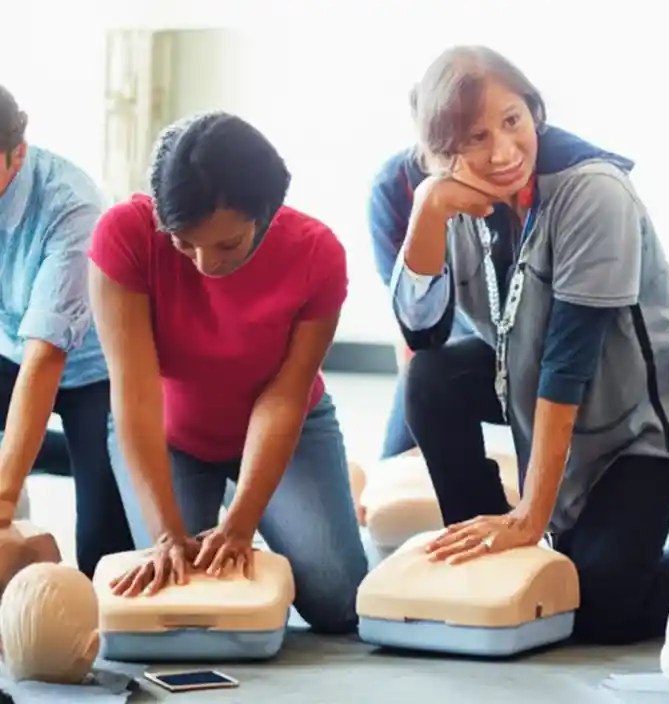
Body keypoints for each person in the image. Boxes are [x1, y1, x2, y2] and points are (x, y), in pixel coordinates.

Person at [392, 45, 669, 645]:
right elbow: (422, 333)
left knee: (598, 605)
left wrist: (531, 516)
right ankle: (488, 556)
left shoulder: (594, 191)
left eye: (513, 120)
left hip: (646, 410)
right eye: (477, 137)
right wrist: (428, 210)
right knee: (431, 380)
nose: (503, 152)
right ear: (445, 147)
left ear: (533, 109)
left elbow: (567, 368)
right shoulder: (446, 192)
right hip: (530, 370)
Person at [87, 112, 368, 634]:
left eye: (227, 245)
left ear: (266, 213)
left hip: (288, 426)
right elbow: (135, 393)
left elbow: (284, 397)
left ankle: (323, 490)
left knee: (338, 601)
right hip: (171, 434)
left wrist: (240, 524)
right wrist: (166, 534)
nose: (203, 264)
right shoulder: (123, 234)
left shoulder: (317, 252)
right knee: (181, 590)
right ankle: (231, 507)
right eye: (183, 242)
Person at [0, 85, 133, 577]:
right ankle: (50, 452)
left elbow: (45, 359)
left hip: (91, 373)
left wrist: (3, 502)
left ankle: (155, 464)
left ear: (18, 154)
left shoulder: (72, 208)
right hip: (9, 352)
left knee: (104, 558)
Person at [367, 85, 475, 459]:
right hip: (445, 335)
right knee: (399, 448)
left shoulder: (511, 170)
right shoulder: (392, 187)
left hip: (524, 335)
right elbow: (407, 309)